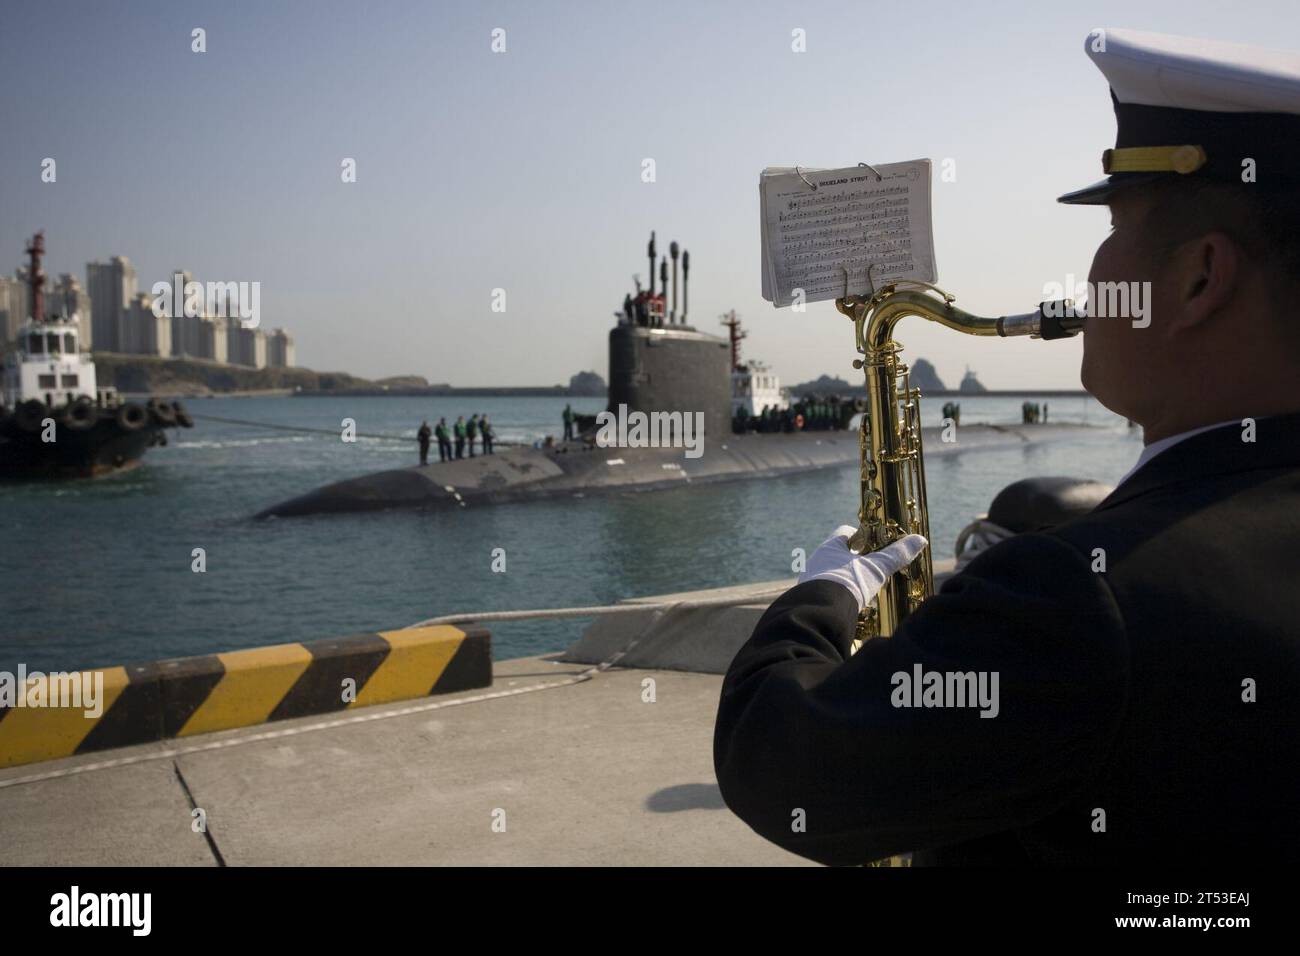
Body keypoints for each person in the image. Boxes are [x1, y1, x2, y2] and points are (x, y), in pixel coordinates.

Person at [714, 29, 1300, 867]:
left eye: (1112, 230)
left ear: (1200, 278)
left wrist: (817, 600)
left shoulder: (1076, 602)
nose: (1088, 275)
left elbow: (777, 761)